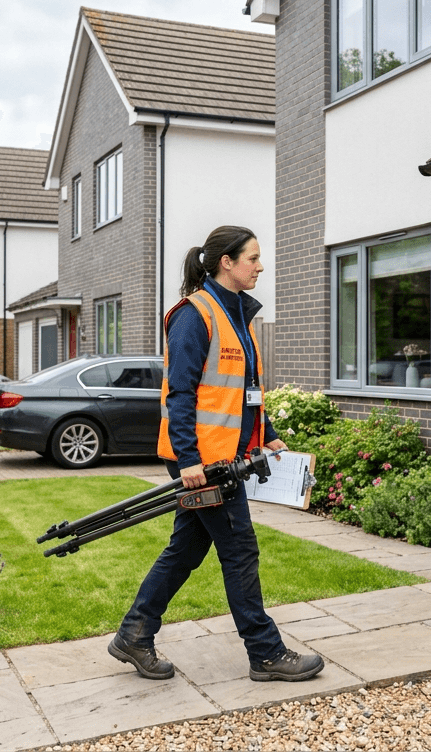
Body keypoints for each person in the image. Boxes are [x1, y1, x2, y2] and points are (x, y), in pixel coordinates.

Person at [109, 225, 325, 683]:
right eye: (253, 258)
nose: (260, 266)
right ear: (226, 261)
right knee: (240, 549)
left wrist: (268, 434)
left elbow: (244, 391)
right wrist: (188, 461)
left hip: (223, 458)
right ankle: (265, 653)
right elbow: (180, 394)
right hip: (204, 463)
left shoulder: (236, 315)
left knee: (187, 548)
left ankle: (134, 633)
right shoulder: (195, 315)